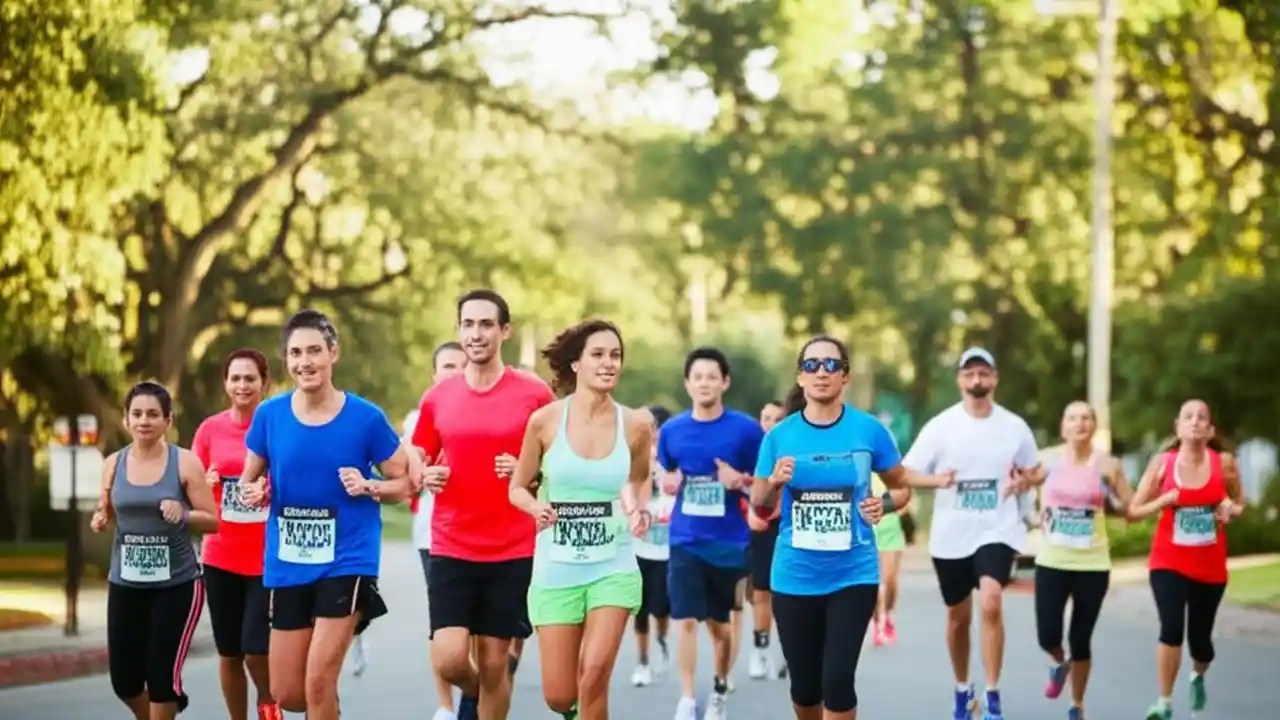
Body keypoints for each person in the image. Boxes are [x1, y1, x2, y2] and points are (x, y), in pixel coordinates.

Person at [237, 309, 418, 720]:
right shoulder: (270, 416)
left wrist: (369, 486)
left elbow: (403, 483)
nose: (306, 362)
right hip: (288, 561)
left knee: (318, 680)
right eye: (296, 353)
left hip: (347, 559)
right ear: (287, 359)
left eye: (315, 351)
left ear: (333, 353)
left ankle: (334, 656)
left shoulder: (366, 419)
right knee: (289, 693)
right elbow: (249, 482)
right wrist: (254, 491)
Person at [750, 336, 936, 720]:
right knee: (804, 687)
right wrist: (775, 483)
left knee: (837, 680)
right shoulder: (779, 436)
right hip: (794, 575)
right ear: (801, 377)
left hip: (853, 574)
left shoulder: (868, 431)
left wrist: (880, 505)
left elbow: (901, 488)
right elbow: (761, 504)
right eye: (813, 365)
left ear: (845, 377)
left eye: (831, 365)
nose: (822, 372)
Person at [411, 289, 555, 720]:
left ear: (504, 331)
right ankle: (476, 697)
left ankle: (486, 701)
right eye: (468, 325)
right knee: (450, 658)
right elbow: (418, 456)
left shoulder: (534, 394)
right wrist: (426, 474)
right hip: (453, 543)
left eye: (486, 324)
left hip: (511, 546)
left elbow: (560, 458)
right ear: (459, 330)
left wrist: (530, 470)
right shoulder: (438, 398)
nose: (476, 334)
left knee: (495, 663)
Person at [509, 319, 654, 720]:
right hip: (556, 569)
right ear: (576, 364)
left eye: (616, 355)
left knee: (593, 675)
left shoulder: (637, 424)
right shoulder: (545, 421)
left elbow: (640, 479)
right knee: (560, 696)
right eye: (598, 354)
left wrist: (639, 508)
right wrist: (535, 506)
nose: (609, 363)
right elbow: (517, 487)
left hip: (614, 567)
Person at [901, 347, 1042, 720]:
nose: (977, 380)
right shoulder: (941, 426)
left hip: (998, 527)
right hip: (952, 534)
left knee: (992, 601)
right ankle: (964, 688)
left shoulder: (1014, 427)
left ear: (994, 378)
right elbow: (906, 473)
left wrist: (1025, 481)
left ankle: (993, 695)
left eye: (983, 373)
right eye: (969, 374)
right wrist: (937, 479)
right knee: (957, 616)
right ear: (960, 381)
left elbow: (1036, 470)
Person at [90, 381, 219, 720]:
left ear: (168, 421)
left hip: (176, 585)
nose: (144, 420)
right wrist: (101, 517)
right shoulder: (113, 464)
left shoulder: (185, 463)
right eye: (137, 414)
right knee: (125, 681)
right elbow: (107, 508)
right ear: (126, 419)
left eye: (152, 414)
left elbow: (213, 521)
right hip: (126, 584)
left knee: (162, 680)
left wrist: (185, 513)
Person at [657, 347, 764, 720]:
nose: (704, 383)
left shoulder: (747, 430)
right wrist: (666, 480)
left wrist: (742, 481)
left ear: (725, 382)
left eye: (711, 376)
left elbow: (766, 485)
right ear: (688, 384)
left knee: (721, 628)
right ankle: (687, 699)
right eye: (697, 376)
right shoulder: (672, 431)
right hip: (685, 539)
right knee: (684, 619)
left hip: (729, 544)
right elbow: (663, 472)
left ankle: (719, 686)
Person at [1128, 399, 1243, 720]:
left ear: (1210, 430)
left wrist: (1230, 510)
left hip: (1210, 565)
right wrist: (1164, 499)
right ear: (1178, 426)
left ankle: (1198, 675)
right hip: (1168, 561)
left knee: (1201, 643)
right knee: (1171, 628)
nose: (1194, 421)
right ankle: (1164, 703)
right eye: (1188, 417)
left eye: (1201, 417)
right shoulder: (1162, 463)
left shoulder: (1226, 464)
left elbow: (1239, 502)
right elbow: (1134, 512)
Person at [192, 350, 283, 720]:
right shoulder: (210, 429)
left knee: (255, 647)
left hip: (264, 558)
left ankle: (268, 702)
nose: (242, 385)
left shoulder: (277, 426)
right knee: (229, 650)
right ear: (226, 383)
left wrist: (268, 487)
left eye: (250, 378)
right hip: (220, 555)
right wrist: (204, 481)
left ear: (265, 383)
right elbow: (188, 481)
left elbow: (295, 477)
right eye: (236, 378)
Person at [1033, 401, 1135, 720]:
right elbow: (1020, 488)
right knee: (1047, 634)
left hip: (1092, 564)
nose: (1080, 423)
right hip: (1052, 560)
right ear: (1063, 426)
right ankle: (1059, 662)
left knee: (1081, 638)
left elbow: (1130, 507)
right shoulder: (1046, 461)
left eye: (1087, 418)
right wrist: (1031, 514)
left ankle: (1077, 705)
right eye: (1073, 418)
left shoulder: (1108, 465)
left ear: (1094, 426)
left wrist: (1115, 501)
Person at [406, 341, 469, 720]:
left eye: (462, 365)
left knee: (476, 630)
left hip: (482, 534)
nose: (456, 371)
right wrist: (422, 473)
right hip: (433, 535)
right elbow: (404, 476)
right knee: (442, 625)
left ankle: (476, 699)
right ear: (434, 375)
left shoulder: (490, 411)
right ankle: (446, 705)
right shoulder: (419, 419)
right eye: (448, 366)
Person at [631, 404, 676, 687]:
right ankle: (642, 661)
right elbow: (632, 496)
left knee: (661, 607)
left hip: (668, 546)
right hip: (639, 546)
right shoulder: (635, 460)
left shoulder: (677, 461)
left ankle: (660, 641)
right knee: (640, 608)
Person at [745, 400, 784, 679]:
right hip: (757, 526)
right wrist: (749, 512)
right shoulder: (752, 449)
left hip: (786, 526)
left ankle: (791, 652)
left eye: (777, 419)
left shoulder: (790, 448)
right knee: (760, 592)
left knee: (784, 593)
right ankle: (761, 649)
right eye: (766, 417)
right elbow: (743, 487)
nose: (770, 424)